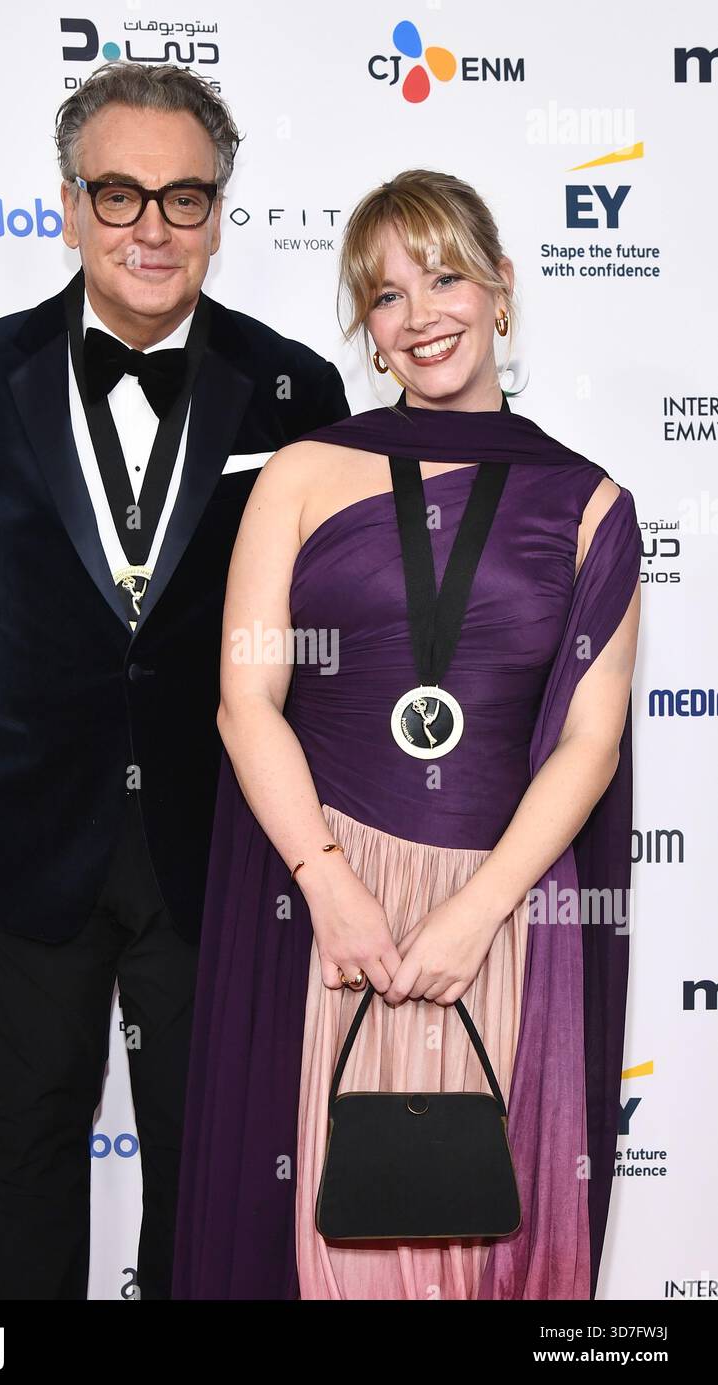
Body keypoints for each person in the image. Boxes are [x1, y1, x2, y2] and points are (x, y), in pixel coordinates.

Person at [0, 60, 349, 1300]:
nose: (151, 227)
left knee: (211, 1171)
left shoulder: (297, 389)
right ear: (70, 203)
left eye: (183, 198)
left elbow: (328, 610)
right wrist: (40, 683)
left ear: (219, 211)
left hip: (225, 848)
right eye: (120, 194)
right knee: (27, 1157)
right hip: (29, 835)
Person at [172, 168, 641, 1300]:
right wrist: (327, 885)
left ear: (500, 289)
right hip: (325, 900)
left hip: (504, 910)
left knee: (479, 1232)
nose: (422, 312)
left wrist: (477, 914)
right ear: (368, 333)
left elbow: (590, 739)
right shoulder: (298, 475)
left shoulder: (592, 504)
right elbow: (246, 700)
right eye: (386, 296)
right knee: (322, 1238)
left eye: (443, 276)